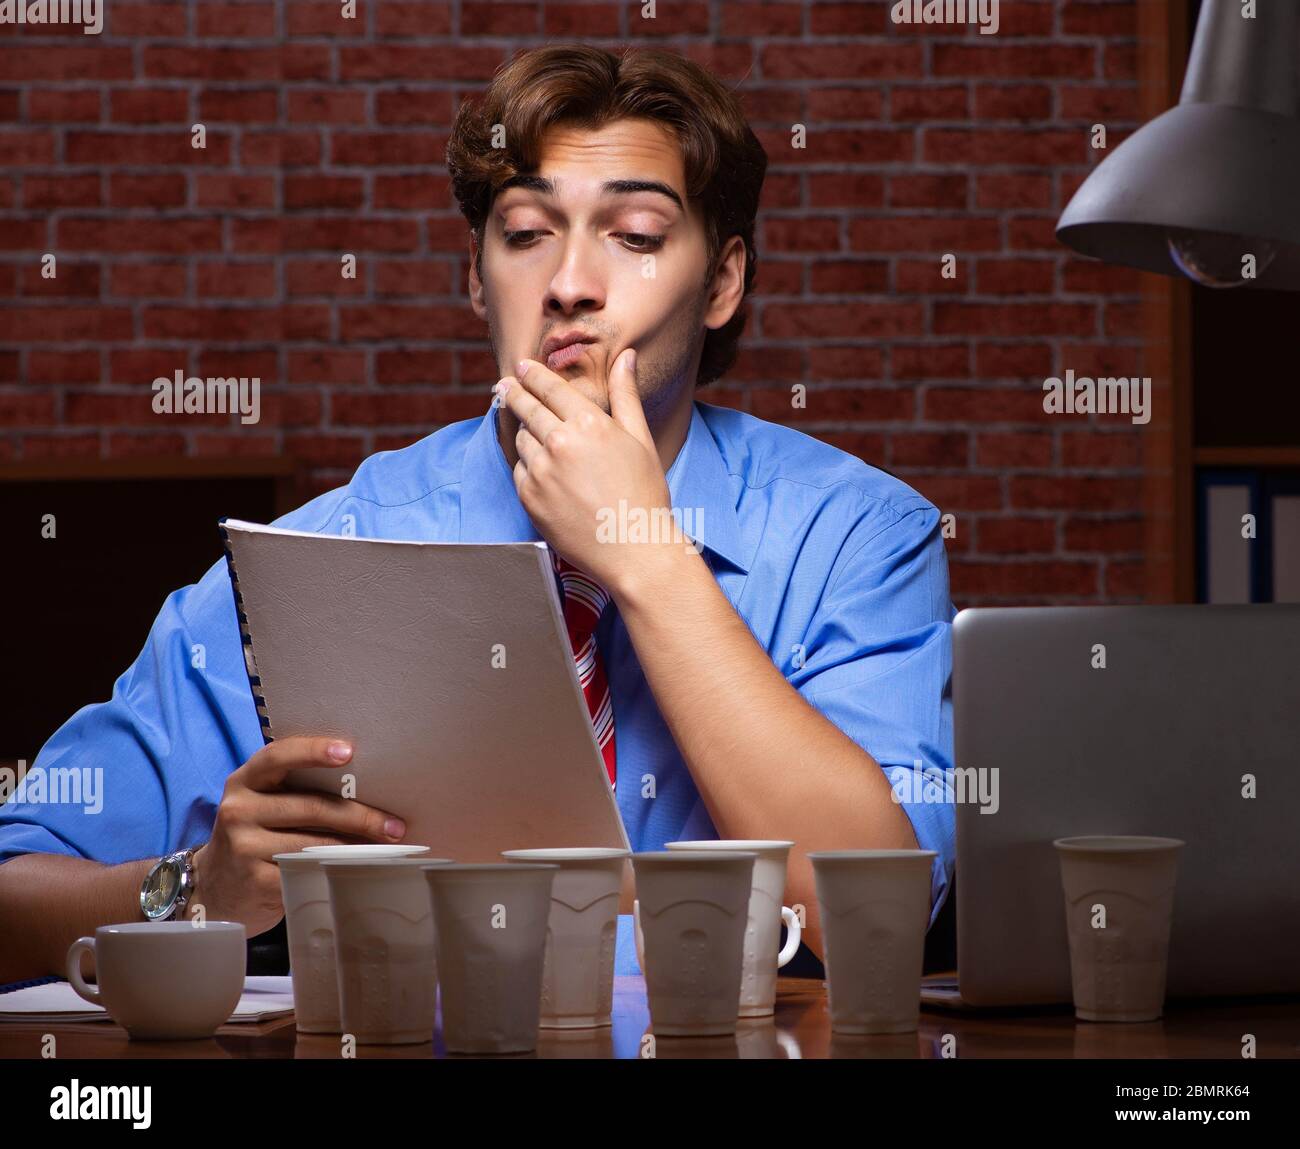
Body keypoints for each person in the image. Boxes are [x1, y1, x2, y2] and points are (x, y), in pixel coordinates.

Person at [0, 44, 955, 984]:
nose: (571, 282)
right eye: (528, 231)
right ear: (475, 275)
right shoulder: (328, 554)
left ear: (723, 282)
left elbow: (879, 920)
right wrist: (195, 886)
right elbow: (13, 894)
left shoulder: (856, 537)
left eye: (635, 234)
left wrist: (646, 556)